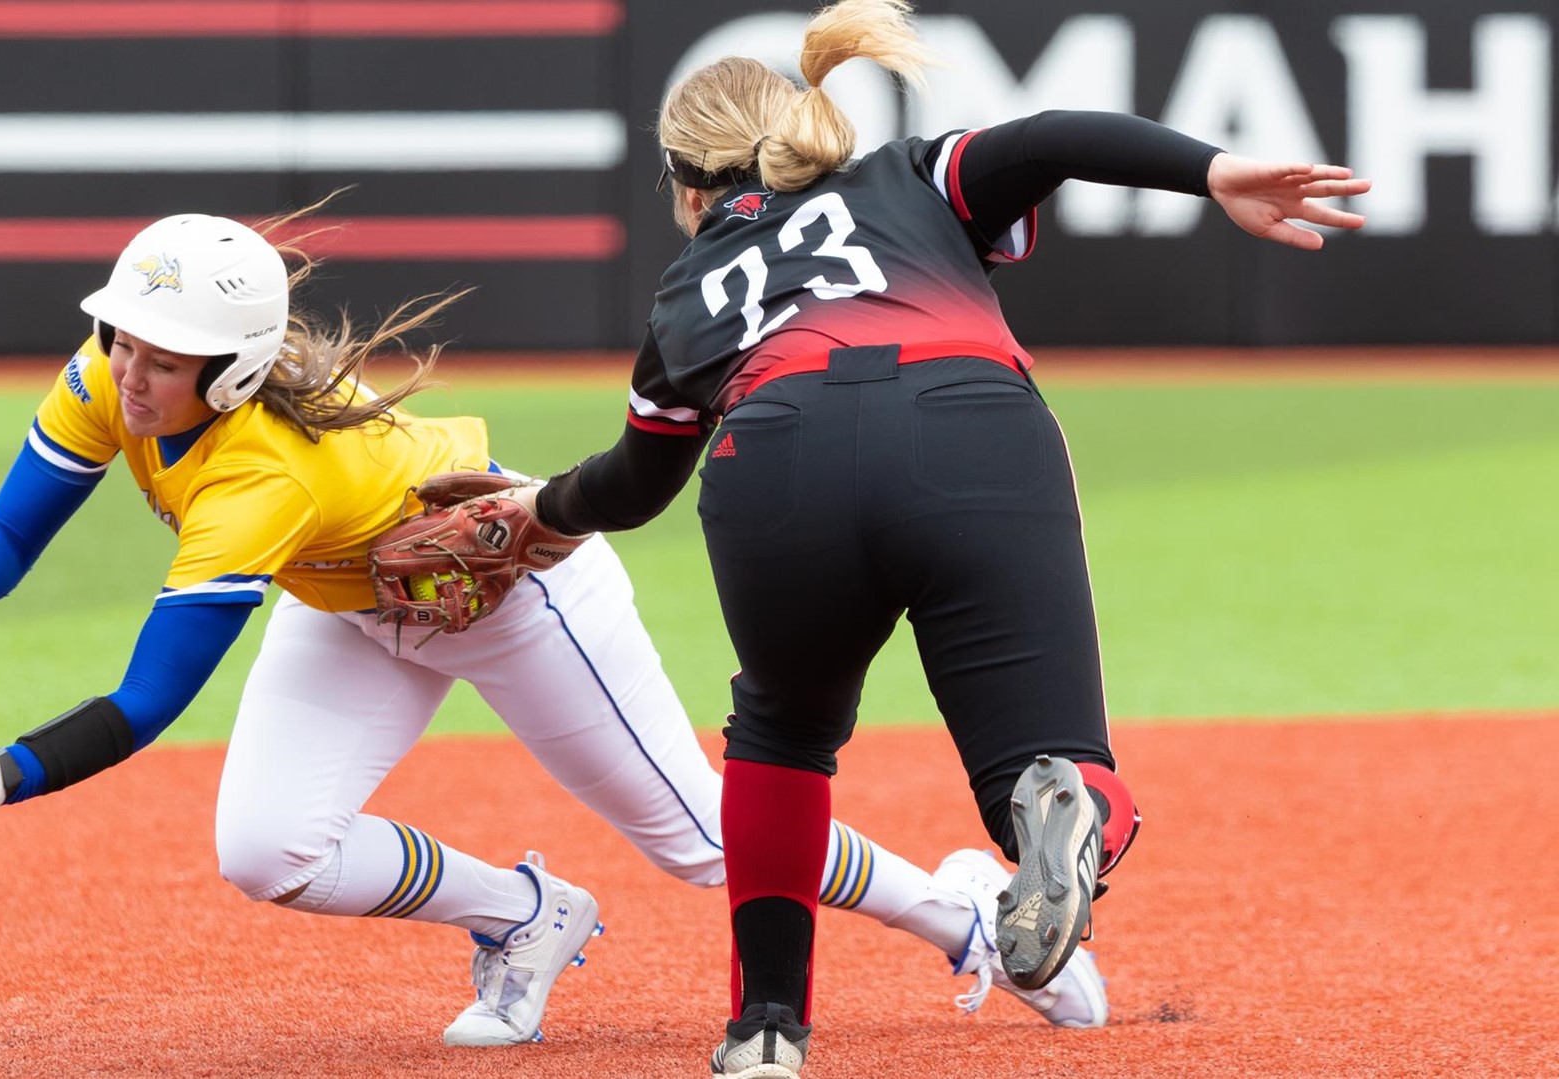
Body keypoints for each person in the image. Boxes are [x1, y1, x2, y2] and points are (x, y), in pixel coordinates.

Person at [0, 208, 1112, 1045]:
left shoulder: (258, 476)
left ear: (227, 371)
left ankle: (971, 912)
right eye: (124, 332)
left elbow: (151, 698)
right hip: (351, 599)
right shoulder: (106, 376)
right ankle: (521, 911)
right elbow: (14, 530)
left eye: (163, 353)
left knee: (704, 840)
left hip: (510, 590)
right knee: (270, 848)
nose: (129, 364)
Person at [497, 1, 1372, 1073]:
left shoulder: (686, 295)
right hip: (973, 432)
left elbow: (635, 483)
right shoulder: (909, 175)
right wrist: (1214, 170)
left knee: (778, 732)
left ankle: (765, 1027)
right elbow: (1050, 137)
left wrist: (534, 511)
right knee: (1054, 766)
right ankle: (1068, 812)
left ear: (686, 185)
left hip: (775, 455)